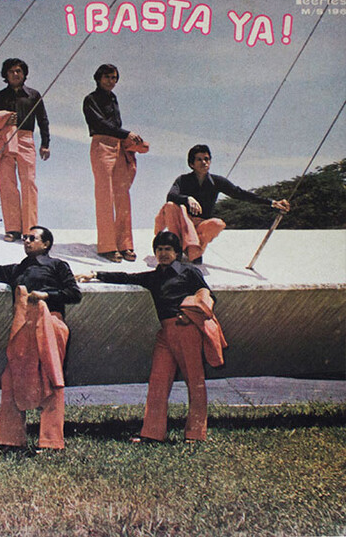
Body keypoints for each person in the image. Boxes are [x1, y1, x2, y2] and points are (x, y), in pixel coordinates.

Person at [76, 231, 226, 443]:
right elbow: (126, 277)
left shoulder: (189, 271)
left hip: (187, 329)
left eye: (168, 249)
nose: (163, 253)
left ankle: (195, 434)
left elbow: (208, 296)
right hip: (165, 333)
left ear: (177, 252)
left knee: (195, 381)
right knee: (157, 381)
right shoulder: (153, 277)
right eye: (159, 249)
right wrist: (94, 274)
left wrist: (189, 315)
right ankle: (152, 434)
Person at [0, 226, 81, 450]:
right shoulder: (17, 269)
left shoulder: (58, 265)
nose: (26, 241)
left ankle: (51, 442)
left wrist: (46, 295)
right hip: (24, 326)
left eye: (32, 238)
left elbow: (74, 293)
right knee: (10, 378)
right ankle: (11, 440)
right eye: (25, 237)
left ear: (46, 244)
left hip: (51, 322)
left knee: (52, 378)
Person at [156, 144, 290, 263]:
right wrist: (187, 199)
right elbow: (170, 196)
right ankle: (177, 248)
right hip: (183, 223)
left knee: (218, 224)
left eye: (206, 159)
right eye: (199, 159)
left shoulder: (217, 181)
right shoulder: (183, 180)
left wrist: (272, 202)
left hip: (201, 224)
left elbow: (240, 193)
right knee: (170, 206)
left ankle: (195, 251)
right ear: (192, 164)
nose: (204, 162)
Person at [83, 63, 148, 263]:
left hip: (119, 146)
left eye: (114, 78)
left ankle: (125, 243)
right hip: (102, 144)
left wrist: (127, 139)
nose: (111, 81)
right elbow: (100, 123)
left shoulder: (113, 98)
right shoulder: (90, 99)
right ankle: (107, 246)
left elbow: (116, 124)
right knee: (105, 195)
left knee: (122, 195)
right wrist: (126, 133)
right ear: (98, 78)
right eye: (107, 77)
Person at [0, 58, 50, 242]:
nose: (15, 74)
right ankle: (12, 229)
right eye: (11, 71)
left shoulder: (33, 95)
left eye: (18, 71)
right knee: (7, 183)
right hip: (4, 139)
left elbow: (43, 120)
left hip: (26, 139)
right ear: (5, 74)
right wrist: (3, 119)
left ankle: (30, 229)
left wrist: (45, 143)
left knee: (29, 183)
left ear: (24, 74)